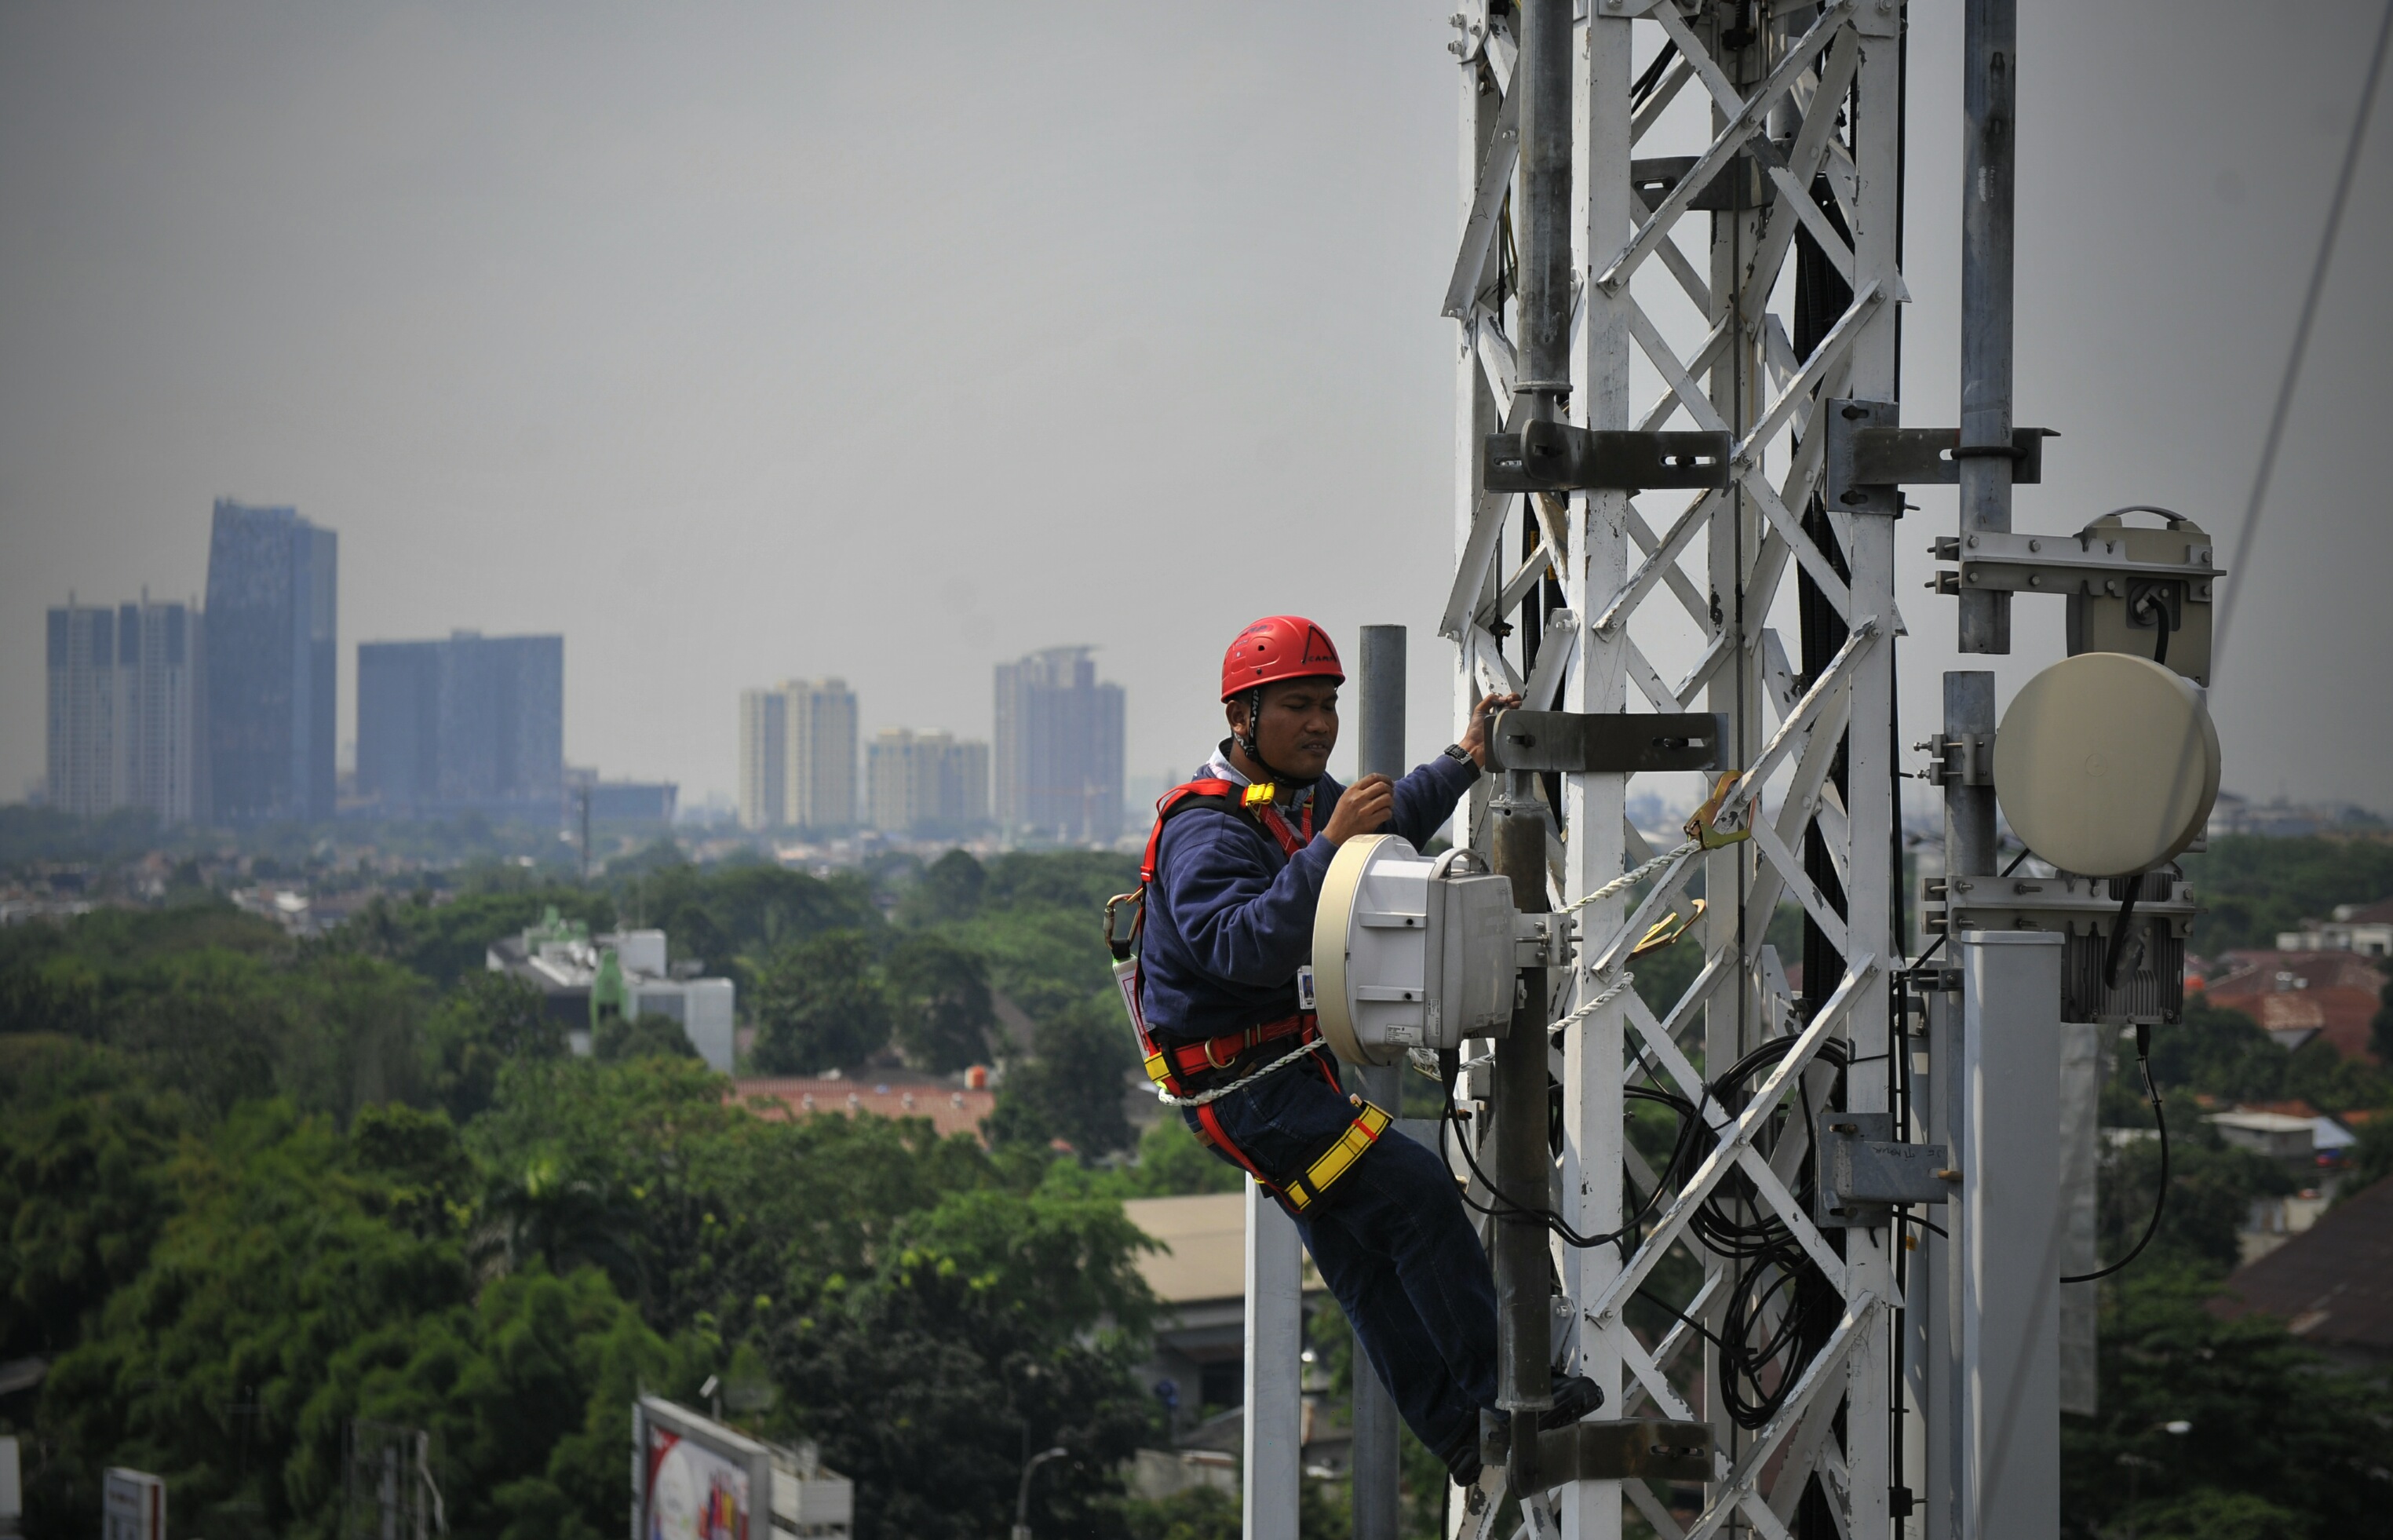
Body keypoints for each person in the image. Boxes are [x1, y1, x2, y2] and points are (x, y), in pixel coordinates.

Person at [1123, 615, 1596, 1487]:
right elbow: (1239, 947)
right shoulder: (1210, 832)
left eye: (1328, 705)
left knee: (1365, 1254)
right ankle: (1501, 1391)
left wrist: (1462, 761)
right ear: (1243, 719)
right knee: (1412, 1192)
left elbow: (1378, 830)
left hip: (1274, 1075)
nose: (1319, 724)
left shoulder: (1290, 807)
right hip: (1248, 1089)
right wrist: (1333, 844)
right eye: (1297, 706)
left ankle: (1459, 1431)